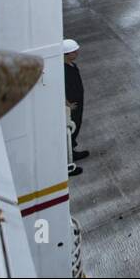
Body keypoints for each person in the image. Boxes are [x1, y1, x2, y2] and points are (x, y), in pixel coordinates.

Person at [63, 38, 89, 176]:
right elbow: (60, 89)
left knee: (76, 126)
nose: (77, 53)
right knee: (70, 130)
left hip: (77, 102)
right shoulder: (63, 70)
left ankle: (72, 152)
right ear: (66, 54)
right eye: (74, 52)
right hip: (71, 106)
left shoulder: (71, 64)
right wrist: (67, 104)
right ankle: (67, 160)